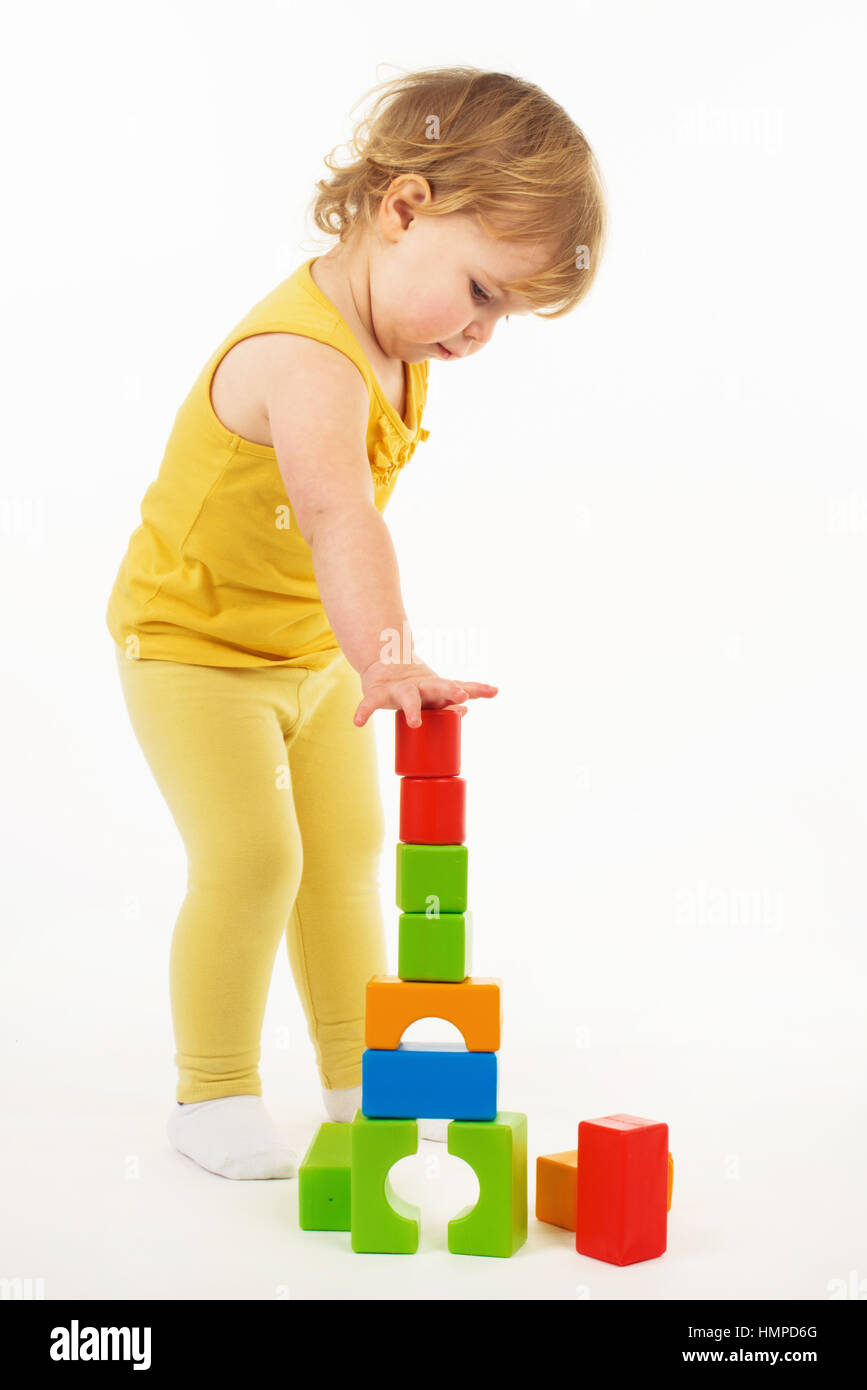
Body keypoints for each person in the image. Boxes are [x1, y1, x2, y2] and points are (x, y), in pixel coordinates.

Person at [105, 65, 607, 1180]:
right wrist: (393, 655)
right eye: (481, 292)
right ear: (405, 208)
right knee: (250, 857)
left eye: (507, 314)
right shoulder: (307, 356)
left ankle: (358, 1079)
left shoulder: (397, 342)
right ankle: (214, 1090)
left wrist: (353, 656)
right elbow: (339, 521)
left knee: (343, 858)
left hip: (304, 648)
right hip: (192, 647)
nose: (482, 334)